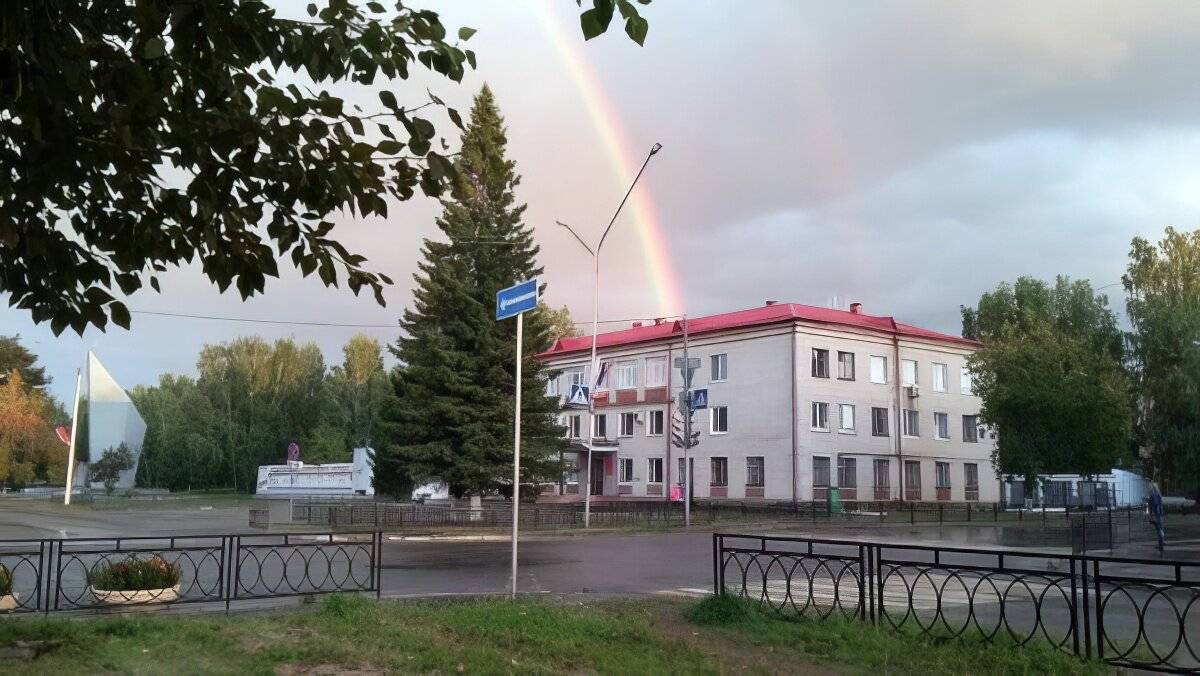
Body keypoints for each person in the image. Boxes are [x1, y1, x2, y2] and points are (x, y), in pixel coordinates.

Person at [1149, 482, 1166, 552]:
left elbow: (1155, 504)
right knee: (1160, 528)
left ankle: (1160, 545)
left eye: (1149, 486)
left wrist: (1152, 513)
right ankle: (1162, 543)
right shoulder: (1158, 494)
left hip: (1157, 514)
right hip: (1160, 513)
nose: (1148, 488)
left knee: (1159, 529)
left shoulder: (1153, 494)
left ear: (1152, 487)